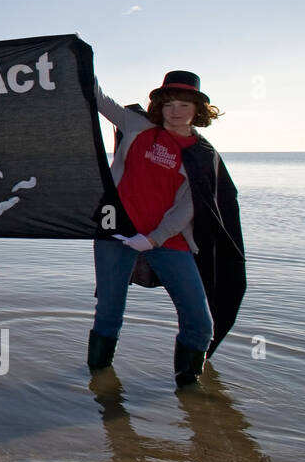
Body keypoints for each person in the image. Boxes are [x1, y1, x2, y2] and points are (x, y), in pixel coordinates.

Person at [88, 70, 245, 387]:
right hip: (115, 234)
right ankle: (98, 384)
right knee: (109, 314)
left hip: (168, 240)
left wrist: (153, 238)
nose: (175, 110)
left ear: (197, 110)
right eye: (169, 102)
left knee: (200, 322)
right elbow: (99, 99)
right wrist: (78, 59)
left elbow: (189, 207)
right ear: (159, 105)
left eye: (184, 104)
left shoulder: (203, 155)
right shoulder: (137, 127)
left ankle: (189, 389)